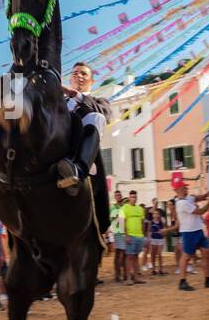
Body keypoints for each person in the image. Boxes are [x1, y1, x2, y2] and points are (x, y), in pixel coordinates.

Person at [56, 61, 112, 194]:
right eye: (75, 73)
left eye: (83, 74)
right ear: (70, 79)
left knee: (98, 117)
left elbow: (105, 113)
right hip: (58, 142)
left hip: (79, 146)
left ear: (92, 81)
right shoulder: (59, 102)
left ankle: (79, 171)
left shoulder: (99, 102)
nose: (79, 76)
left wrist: (75, 94)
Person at [174, 184, 209, 291]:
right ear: (177, 190)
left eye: (186, 187)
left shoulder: (188, 198)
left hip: (197, 230)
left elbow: (199, 197)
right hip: (189, 232)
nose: (186, 188)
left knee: (207, 252)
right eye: (184, 187)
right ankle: (182, 281)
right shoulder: (181, 203)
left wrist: (207, 195)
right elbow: (199, 211)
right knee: (186, 256)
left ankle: (208, 279)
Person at [120, 190, 147, 285]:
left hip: (139, 236)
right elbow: (121, 222)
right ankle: (128, 278)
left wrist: (143, 235)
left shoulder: (140, 209)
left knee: (136, 257)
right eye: (132, 197)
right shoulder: (124, 208)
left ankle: (136, 277)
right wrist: (125, 235)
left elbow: (143, 223)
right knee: (129, 257)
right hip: (130, 236)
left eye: (135, 197)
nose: (133, 198)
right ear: (129, 197)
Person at [147, 208, 167, 275]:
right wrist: (149, 239)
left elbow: (164, 230)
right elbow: (149, 231)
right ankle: (153, 269)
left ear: (159, 215)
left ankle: (160, 269)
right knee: (153, 254)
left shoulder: (162, 222)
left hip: (160, 239)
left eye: (157, 213)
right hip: (153, 239)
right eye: (154, 213)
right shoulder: (151, 222)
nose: (155, 215)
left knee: (159, 254)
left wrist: (163, 234)